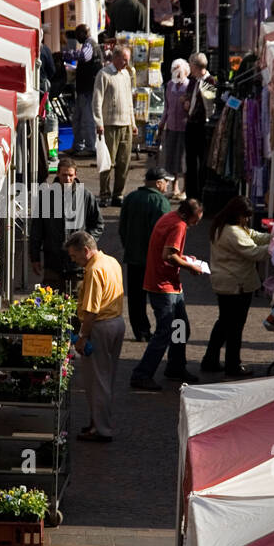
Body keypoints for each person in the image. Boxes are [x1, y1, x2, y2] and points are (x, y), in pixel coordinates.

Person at [130, 199, 206, 390]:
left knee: (181, 326)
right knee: (165, 330)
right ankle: (142, 374)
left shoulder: (170, 217)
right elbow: (168, 255)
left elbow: (169, 251)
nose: (196, 223)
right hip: (163, 286)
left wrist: (186, 258)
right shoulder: (179, 226)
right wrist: (190, 266)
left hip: (171, 285)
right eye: (196, 219)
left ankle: (176, 366)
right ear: (189, 215)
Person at [65, 231, 125, 443]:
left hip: (100, 327)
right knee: (106, 378)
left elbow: (91, 310)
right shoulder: (111, 262)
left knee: (96, 381)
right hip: (116, 322)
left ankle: (101, 429)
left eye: (74, 256)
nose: (74, 261)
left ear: (86, 250)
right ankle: (98, 423)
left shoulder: (93, 270)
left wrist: (82, 336)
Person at [201, 196, 271, 377]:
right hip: (235, 285)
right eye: (245, 216)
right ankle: (233, 364)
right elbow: (253, 252)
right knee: (235, 327)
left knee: (223, 324)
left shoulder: (224, 226)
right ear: (237, 214)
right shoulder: (232, 231)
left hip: (227, 283)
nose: (247, 220)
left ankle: (210, 359)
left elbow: (253, 236)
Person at [29, 157, 102, 290]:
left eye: (70, 175)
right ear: (57, 174)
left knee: (78, 304)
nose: (67, 179)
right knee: (52, 303)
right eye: (64, 175)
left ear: (76, 175)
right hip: (53, 261)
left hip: (78, 264)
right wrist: (35, 257)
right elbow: (36, 230)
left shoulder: (85, 196)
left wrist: (86, 243)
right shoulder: (46, 197)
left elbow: (98, 224)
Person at [118, 165, 173, 341]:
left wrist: (129, 246)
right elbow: (163, 233)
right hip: (152, 259)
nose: (167, 186)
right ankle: (162, 330)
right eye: (166, 182)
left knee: (135, 298)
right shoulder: (161, 202)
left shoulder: (131, 198)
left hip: (133, 257)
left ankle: (140, 331)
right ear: (158, 183)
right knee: (159, 297)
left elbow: (122, 228)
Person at [93, 46, 135, 207]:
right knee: (107, 162)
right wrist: (99, 122)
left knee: (124, 162)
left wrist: (132, 122)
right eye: (124, 59)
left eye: (128, 59)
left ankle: (119, 194)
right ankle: (104, 193)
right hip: (109, 124)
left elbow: (129, 100)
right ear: (116, 57)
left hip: (125, 124)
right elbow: (97, 100)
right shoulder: (104, 74)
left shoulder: (126, 75)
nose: (127, 62)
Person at [63, 24, 100, 156]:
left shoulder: (90, 44)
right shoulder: (88, 44)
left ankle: (90, 148)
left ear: (84, 33)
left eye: (78, 34)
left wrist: (67, 54)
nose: (77, 38)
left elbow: (84, 56)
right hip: (83, 89)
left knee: (87, 119)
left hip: (88, 89)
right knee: (77, 119)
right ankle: (78, 146)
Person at [158, 58, 190, 199]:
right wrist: (162, 123)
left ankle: (185, 189)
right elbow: (167, 107)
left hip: (184, 127)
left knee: (183, 158)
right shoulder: (170, 85)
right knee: (171, 158)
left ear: (186, 72)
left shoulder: (190, 86)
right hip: (171, 126)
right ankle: (175, 187)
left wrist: (187, 105)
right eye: (174, 70)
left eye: (179, 70)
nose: (176, 73)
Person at [184, 53, 212, 202]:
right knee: (190, 160)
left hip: (201, 125)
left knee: (201, 161)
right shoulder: (193, 81)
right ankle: (191, 194)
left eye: (191, 65)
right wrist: (186, 102)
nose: (189, 68)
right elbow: (189, 97)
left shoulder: (209, 81)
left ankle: (199, 194)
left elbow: (209, 106)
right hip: (191, 124)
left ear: (196, 65)